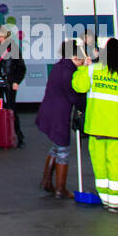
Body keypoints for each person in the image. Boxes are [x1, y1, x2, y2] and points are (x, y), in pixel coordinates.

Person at [72, 36, 118, 212]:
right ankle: (116, 202)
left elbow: (78, 86)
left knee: (99, 165)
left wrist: (82, 69)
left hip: (96, 128)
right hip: (117, 130)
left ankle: (105, 198)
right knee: (116, 166)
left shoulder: (93, 70)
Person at [35, 38, 86, 198]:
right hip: (60, 114)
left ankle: (46, 181)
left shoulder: (59, 67)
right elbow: (74, 96)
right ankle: (60, 189)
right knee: (63, 149)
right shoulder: (69, 72)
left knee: (56, 147)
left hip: (49, 111)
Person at [0, 26, 27, 148]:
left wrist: (17, 81)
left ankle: (18, 135)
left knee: (12, 110)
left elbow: (21, 67)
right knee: (0, 109)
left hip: (10, 83)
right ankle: (1, 136)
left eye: (2, 37)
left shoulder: (14, 48)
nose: (0, 39)